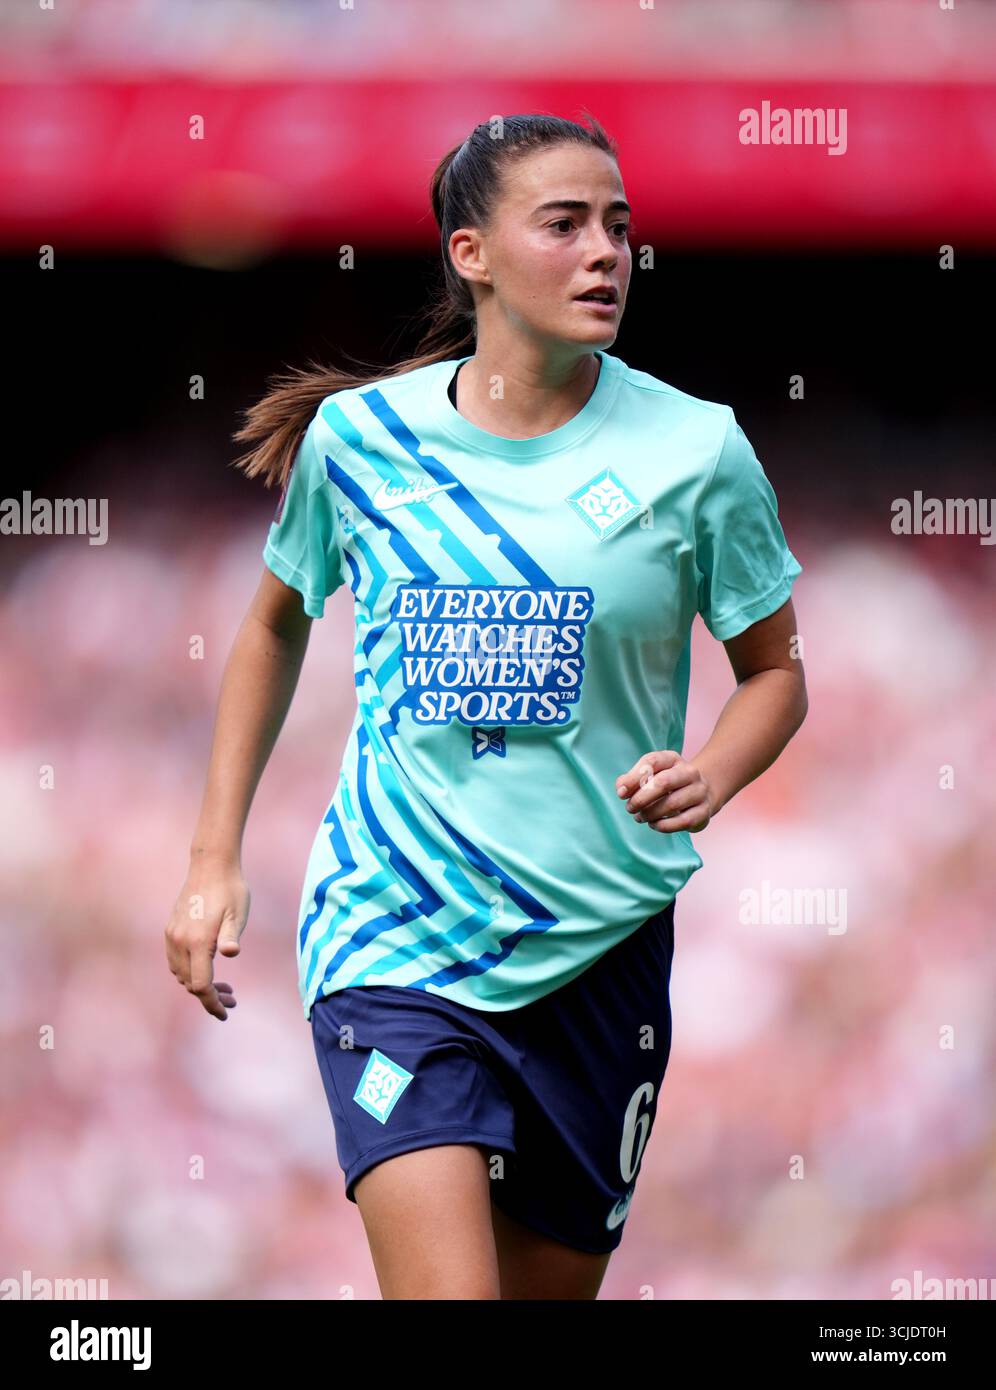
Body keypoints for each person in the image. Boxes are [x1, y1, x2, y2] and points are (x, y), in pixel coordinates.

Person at [164, 112, 807, 1300]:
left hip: (599, 949)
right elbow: (272, 619)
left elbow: (774, 673)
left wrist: (715, 769)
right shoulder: (360, 443)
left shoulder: (698, 451)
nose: (606, 252)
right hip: (394, 934)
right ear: (471, 254)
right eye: (564, 224)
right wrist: (214, 858)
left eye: (619, 226)